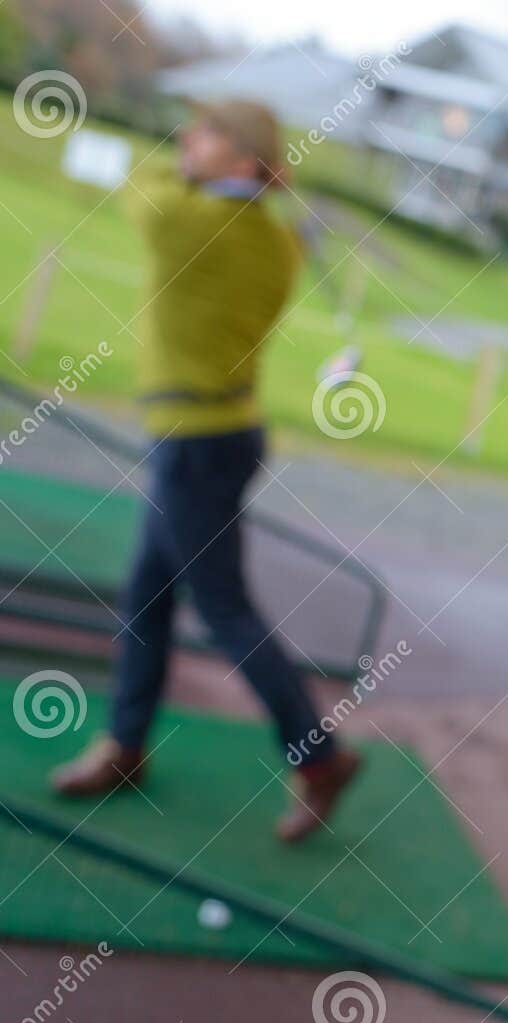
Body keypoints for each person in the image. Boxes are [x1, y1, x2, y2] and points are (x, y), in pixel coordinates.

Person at [50, 99, 361, 843]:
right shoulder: (278, 242)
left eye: (210, 132)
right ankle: (126, 747)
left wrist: (208, 170)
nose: (188, 138)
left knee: (224, 611)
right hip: (219, 437)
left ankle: (319, 758)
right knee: (148, 598)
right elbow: (183, 182)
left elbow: (142, 187)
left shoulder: (192, 221)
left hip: (197, 445)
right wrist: (254, 180)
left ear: (247, 162)